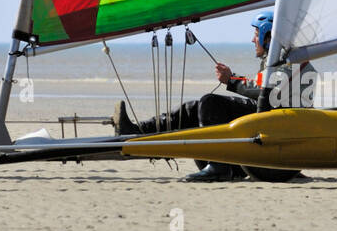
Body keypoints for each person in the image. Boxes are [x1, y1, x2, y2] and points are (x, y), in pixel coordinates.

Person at [113, 10, 287, 183]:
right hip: (264, 124)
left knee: (210, 103)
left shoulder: (287, 61)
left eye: (256, 34)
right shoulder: (277, 60)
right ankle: (138, 131)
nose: (252, 39)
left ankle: (219, 167)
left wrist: (231, 80)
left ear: (267, 36)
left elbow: (268, 92)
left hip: (272, 128)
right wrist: (232, 78)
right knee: (194, 108)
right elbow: (264, 88)